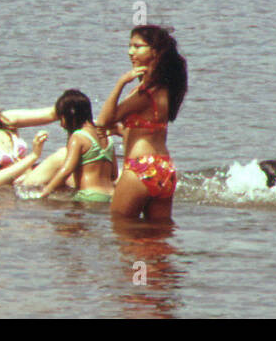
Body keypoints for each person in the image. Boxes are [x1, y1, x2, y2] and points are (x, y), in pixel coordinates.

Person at [97, 25, 187, 220]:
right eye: (130, 46)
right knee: (158, 240)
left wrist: (121, 83)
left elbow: (103, 121)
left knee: (120, 228)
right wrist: (120, 130)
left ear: (154, 51)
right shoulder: (166, 88)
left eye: (137, 46)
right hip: (164, 168)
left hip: (140, 167)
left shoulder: (145, 92)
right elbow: (147, 129)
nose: (131, 52)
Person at [23, 89, 118, 202]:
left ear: (71, 115)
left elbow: (66, 170)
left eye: (61, 118)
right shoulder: (107, 137)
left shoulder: (78, 137)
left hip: (89, 195)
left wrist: (45, 192)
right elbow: (114, 174)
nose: (61, 125)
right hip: (111, 196)